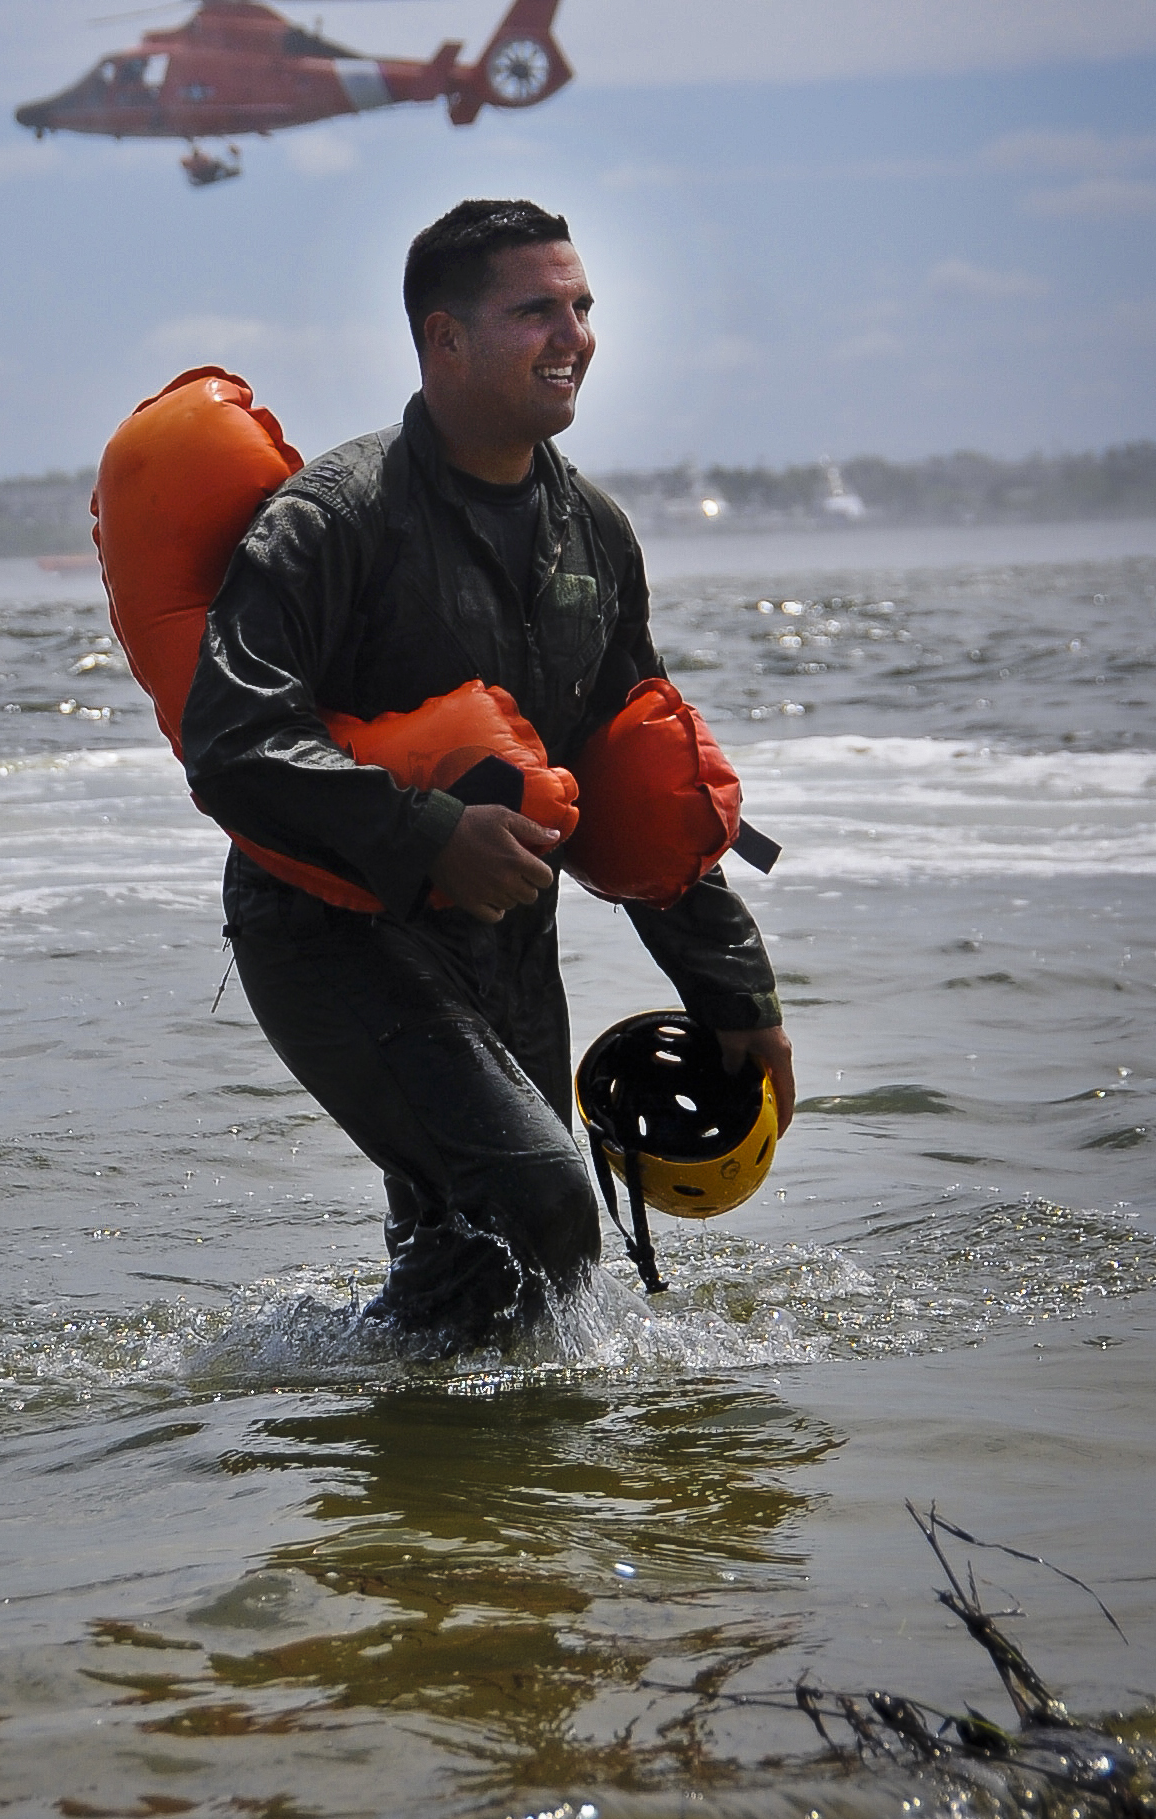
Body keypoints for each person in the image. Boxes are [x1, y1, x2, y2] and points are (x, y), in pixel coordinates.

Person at [181, 198, 794, 1344]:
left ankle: (436, 1502)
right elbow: (231, 740)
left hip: (504, 945)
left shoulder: (595, 536)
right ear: (443, 338)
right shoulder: (335, 519)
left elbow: (639, 781)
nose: (573, 335)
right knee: (548, 1209)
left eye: (582, 306)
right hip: (326, 939)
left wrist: (737, 996)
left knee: (479, 1278)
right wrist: (425, 834)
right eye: (535, 311)